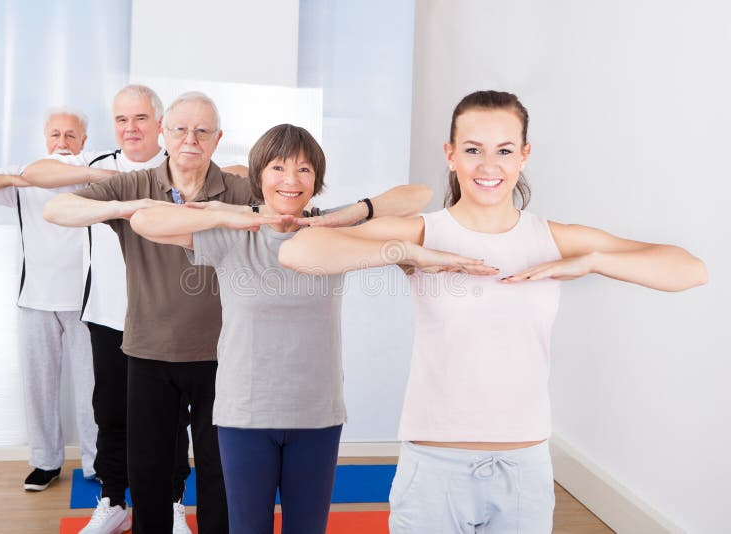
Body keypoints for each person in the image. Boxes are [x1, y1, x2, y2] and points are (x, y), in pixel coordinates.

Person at [277, 90, 708, 533]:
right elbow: (298, 252)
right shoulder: (424, 231)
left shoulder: (554, 238)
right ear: (450, 155)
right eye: (472, 150)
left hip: (524, 469)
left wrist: (592, 261)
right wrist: (409, 252)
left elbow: (690, 270)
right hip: (435, 467)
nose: (488, 166)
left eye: (504, 150)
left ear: (524, 155)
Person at [128, 123, 473, 534]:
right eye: (278, 167)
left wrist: (351, 213)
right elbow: (144, 221)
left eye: (304, 169)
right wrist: (231, 213)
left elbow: (420, 195)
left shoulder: (331, 230)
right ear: (258, 176)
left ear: (316, 180)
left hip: (316, 414)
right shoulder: (233, 235)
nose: (290, 180)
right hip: (245, 415)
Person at [24, 85, 211, 534]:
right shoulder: (96, 165)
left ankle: (172, 502)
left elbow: (234, 174)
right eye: (122, 120)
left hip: (165, 320)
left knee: (171, 421)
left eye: (141, 118)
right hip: (109, 315)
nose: (131, 128)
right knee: (110, 412)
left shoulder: (179, 165)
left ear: (160, 125)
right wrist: (111, 186)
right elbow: (36, 173)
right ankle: (114, 500)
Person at [0, 108, 98, 492]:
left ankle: (97, 462)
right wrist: (21, 178)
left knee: (93, 389)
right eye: (55, 134)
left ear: (83, 141)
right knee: (39, 388)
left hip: (86, 300)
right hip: (36, 299)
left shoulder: (90, 169)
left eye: (71, 135)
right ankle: (45, 462)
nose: (62, 142)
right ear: (45, 138)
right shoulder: (25, 175)